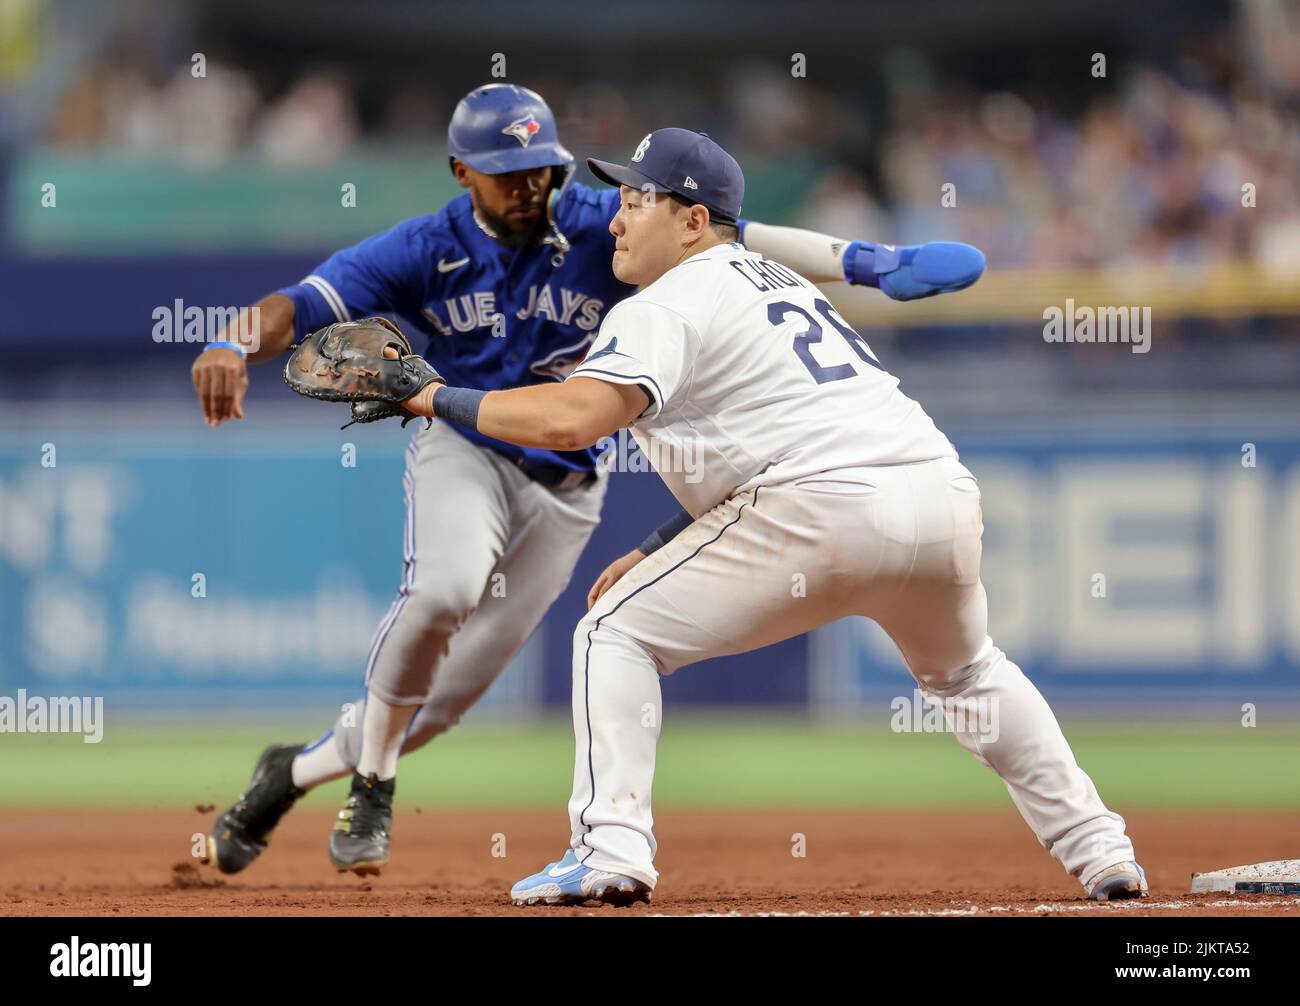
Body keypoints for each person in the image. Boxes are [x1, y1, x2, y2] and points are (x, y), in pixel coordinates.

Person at [193, 86, 986, 877]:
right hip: (464, 447)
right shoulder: (420, 248)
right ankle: (374, 781)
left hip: (568, 488)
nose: (531, 188)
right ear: (461, 171)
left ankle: (289, 772)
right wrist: (231, 341)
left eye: (542, 169)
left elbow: (742, 237)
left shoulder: (594, 227)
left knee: (442, 704)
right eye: (509, 174)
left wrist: (866, 263)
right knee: (445, 590)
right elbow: (299, 307)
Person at [390, 127, 1146, 907]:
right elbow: (782, 427)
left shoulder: (669, 299)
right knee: (970, 673)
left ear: (692, 222)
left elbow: (572, 421)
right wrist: (660, 542)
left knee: (614, 632)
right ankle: (1103, 852)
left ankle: (609, 849)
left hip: (817, 508)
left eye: (638, 200)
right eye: (618, 199)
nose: (616, 219)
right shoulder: (782, 283)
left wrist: (430, 395)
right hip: (938, 495)